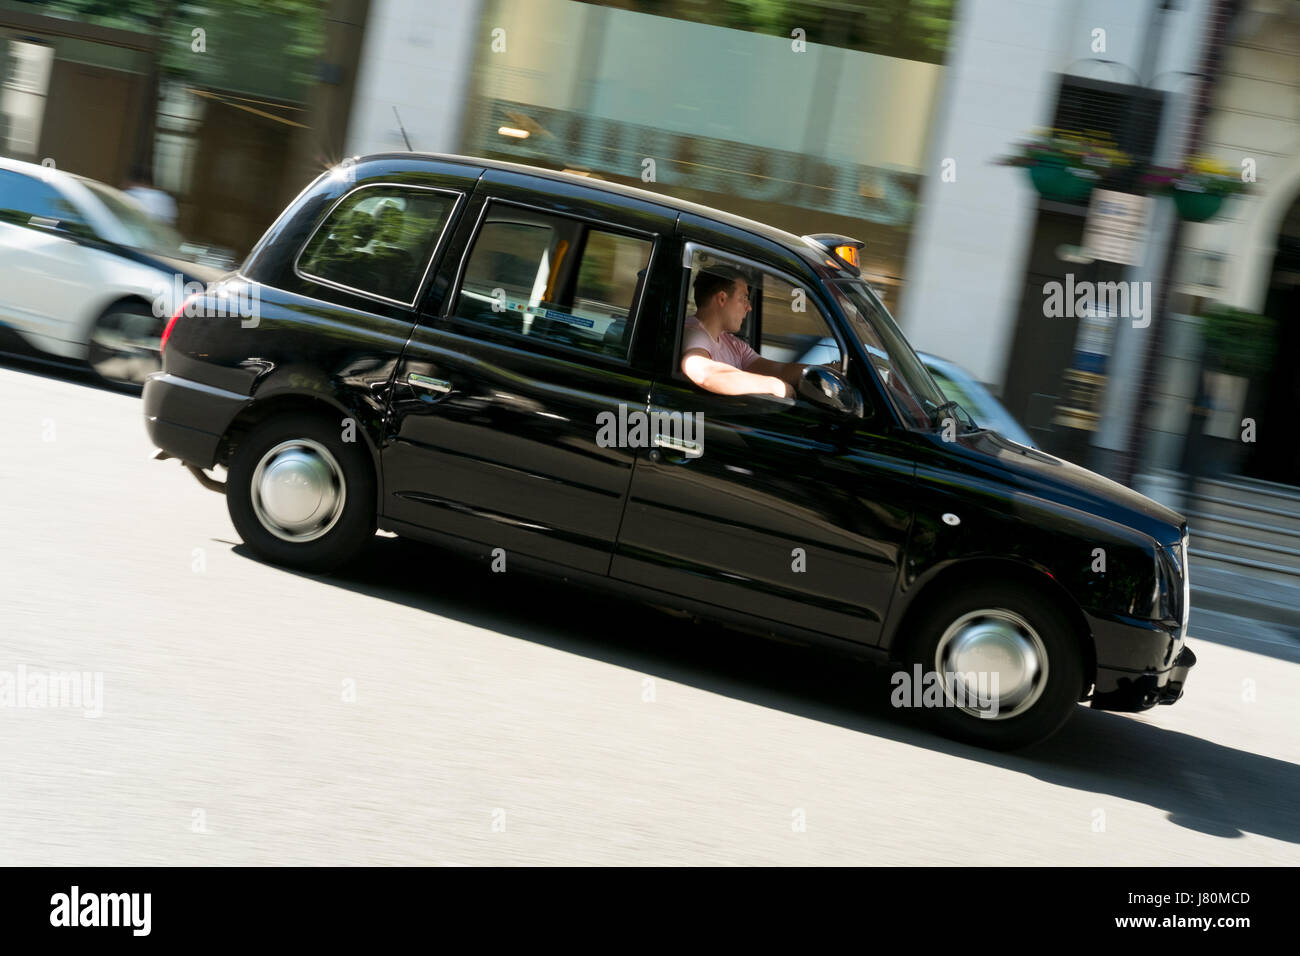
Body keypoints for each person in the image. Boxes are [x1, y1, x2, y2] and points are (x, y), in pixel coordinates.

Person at [680, 266, 806, 397]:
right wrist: (773, 386)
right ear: (722, 299)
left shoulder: (733, 344)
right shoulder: (693, 333)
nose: (749, 307)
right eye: (744, 298)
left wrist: (817, 372)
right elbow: (704, 373)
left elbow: (780, 370)